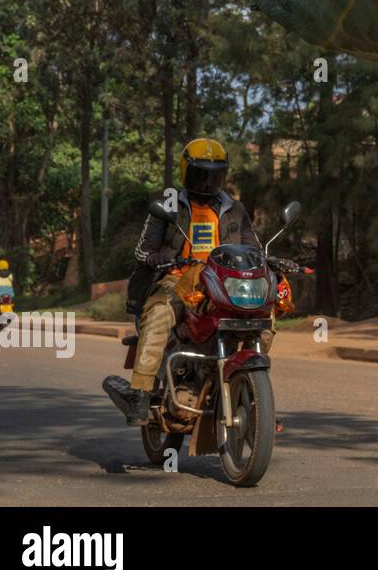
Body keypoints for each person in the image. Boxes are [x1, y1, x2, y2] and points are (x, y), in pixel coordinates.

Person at [105, 138, 261, 424]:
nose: (207, 181)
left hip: (224, 284)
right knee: (159, 314)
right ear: (186, 171)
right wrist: (155, 259)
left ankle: (252, 391)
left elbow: (254, 249)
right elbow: (142, 250)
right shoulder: (170, 205)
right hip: (179, 280)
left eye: (215, 174)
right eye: (201, 174)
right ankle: (139, 394)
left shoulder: (235, 209)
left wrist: (269, 262)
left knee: (266, 314)